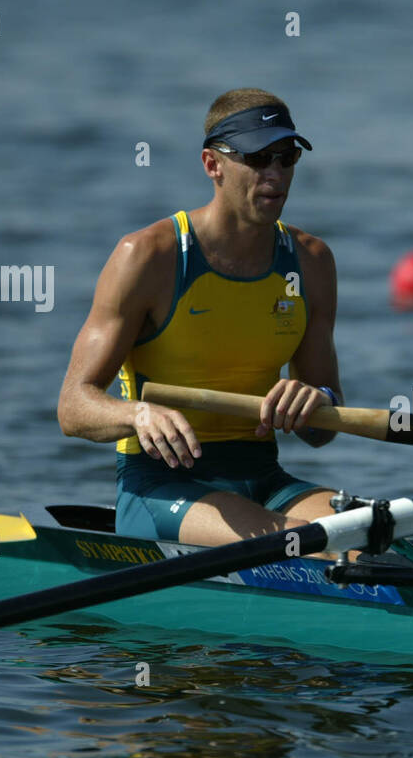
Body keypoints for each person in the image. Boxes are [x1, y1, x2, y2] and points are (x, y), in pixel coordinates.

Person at [58, 88, 346, 546]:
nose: (275, 174)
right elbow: (72, 407)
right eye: (258, 158)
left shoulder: (311, 261)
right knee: (312, 547)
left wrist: (315, 401)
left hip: (264, 477)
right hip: (161, 483)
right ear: (213, 165)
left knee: (373, 540)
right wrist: (138, 415)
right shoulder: (148, 257)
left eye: (287, 157)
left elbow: (320, 433)